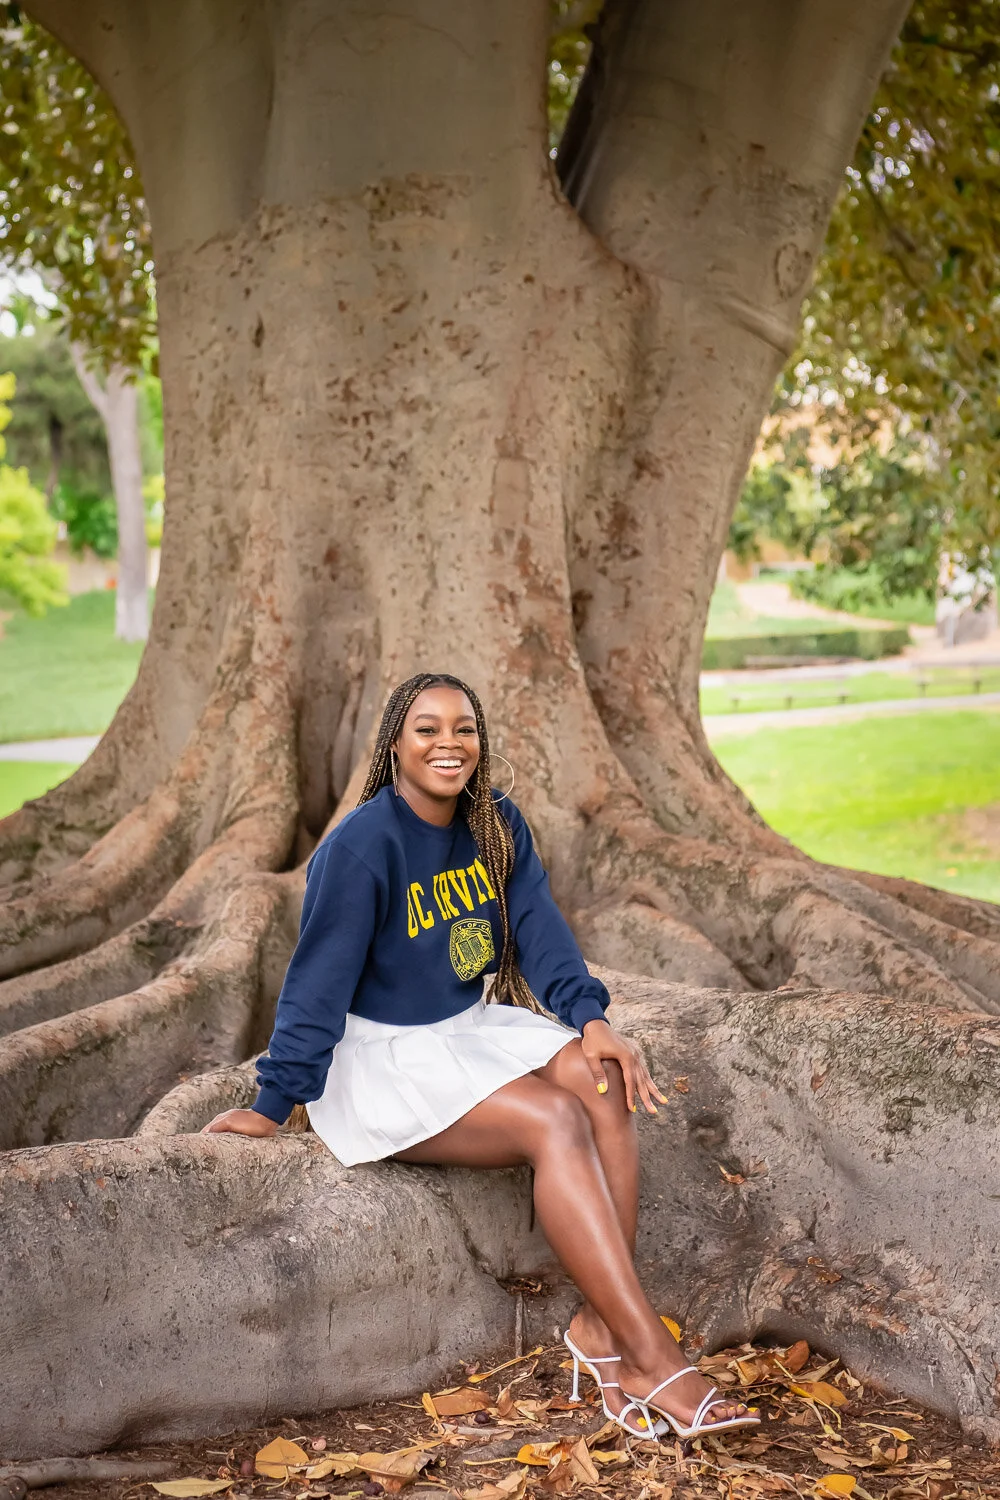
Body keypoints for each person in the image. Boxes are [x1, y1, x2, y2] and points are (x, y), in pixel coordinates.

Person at [204, 673, 757, 1440]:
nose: (448, 744)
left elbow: (539, 927)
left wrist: (589, 1019)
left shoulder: (495, 822)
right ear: (395, 743)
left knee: (601, 1082)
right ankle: (653, 1357)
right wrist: (272, 1105)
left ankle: (601, 1334)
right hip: (386, 1060)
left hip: (471, 1029)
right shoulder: (361, 848)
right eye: (427, 729)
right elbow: (315, 986)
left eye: (463, 728)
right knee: (556, 1121)